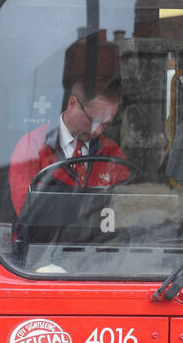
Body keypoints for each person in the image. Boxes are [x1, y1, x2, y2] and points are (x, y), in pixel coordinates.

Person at [9, 32, 130, 218]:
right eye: (93, 121)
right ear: (72, 103)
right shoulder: (31, 148)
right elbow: (27, 213)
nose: (97, 131)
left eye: (106, 125)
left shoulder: (112, 154)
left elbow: (125, 210)